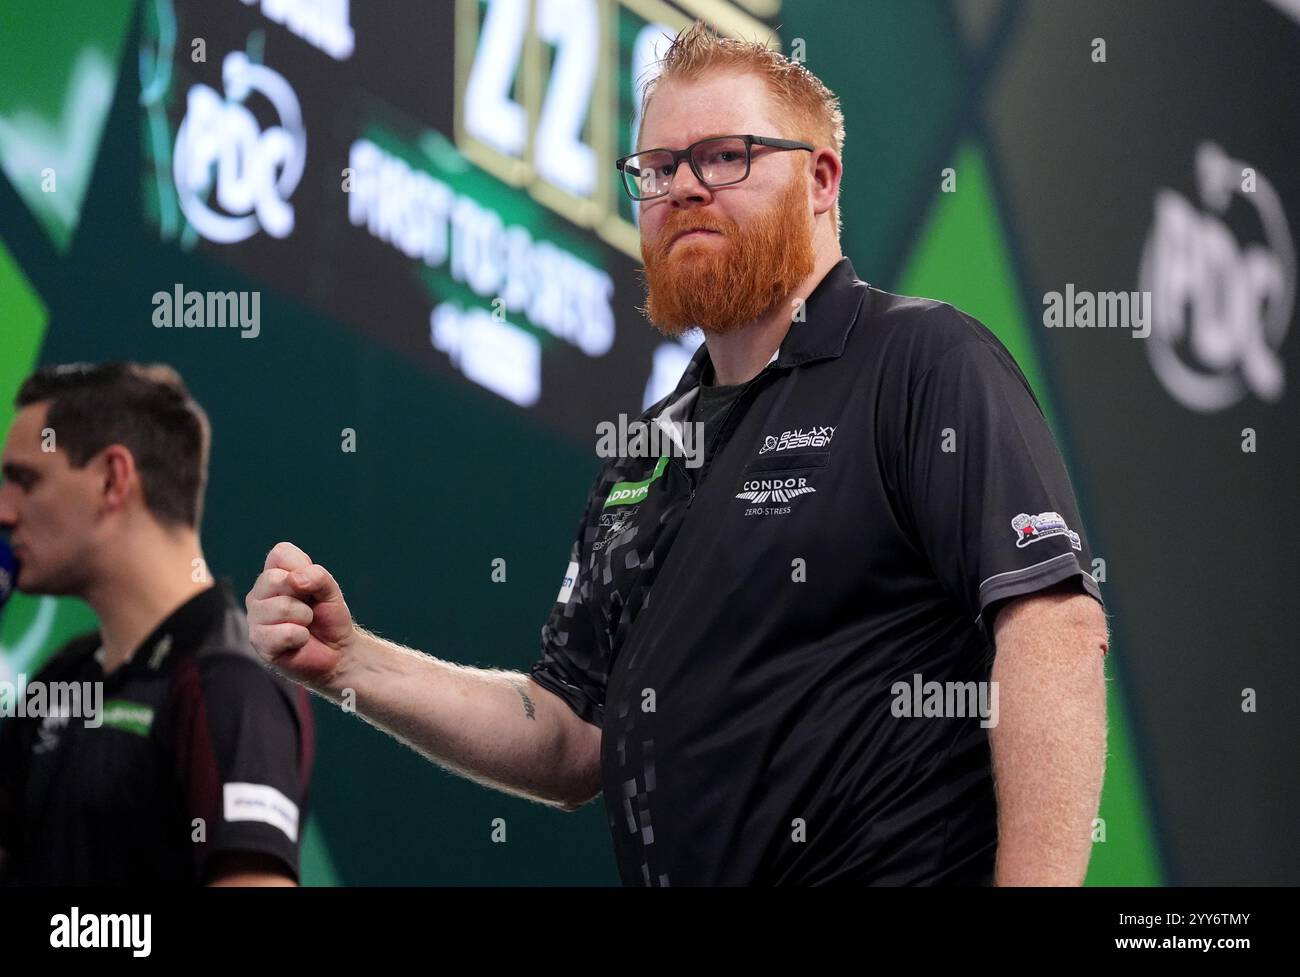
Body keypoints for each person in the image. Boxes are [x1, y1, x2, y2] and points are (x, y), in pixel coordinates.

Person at [246, 21, 1108, 885]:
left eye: (726, 155)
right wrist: (357, 661)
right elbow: (567, 730)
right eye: (659, 168)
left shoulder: (923, 360)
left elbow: (1053, 629)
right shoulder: (646, 452)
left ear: (820, 179)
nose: (686, 187)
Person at [0, 363, 314, 885]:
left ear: (111, 480)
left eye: (25, 480)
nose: (5, 513)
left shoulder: (231, 680)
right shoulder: (67, 676)